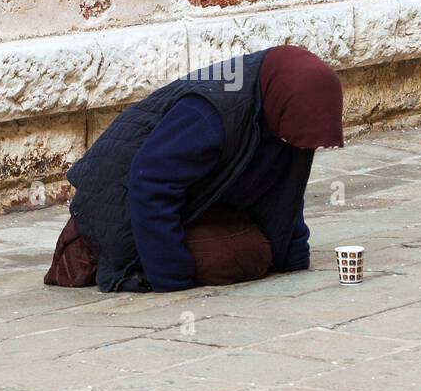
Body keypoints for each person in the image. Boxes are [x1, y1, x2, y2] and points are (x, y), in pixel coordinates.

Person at [45, 45, 344, 292]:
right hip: (117, 206)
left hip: (193, 201)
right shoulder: (211, 114)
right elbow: (149, 183)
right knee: (243, 254)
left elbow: (285, 188)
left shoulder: (279, 104)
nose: (305, 149)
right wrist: (171, 278)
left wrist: (293, 256)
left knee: (255, 249)